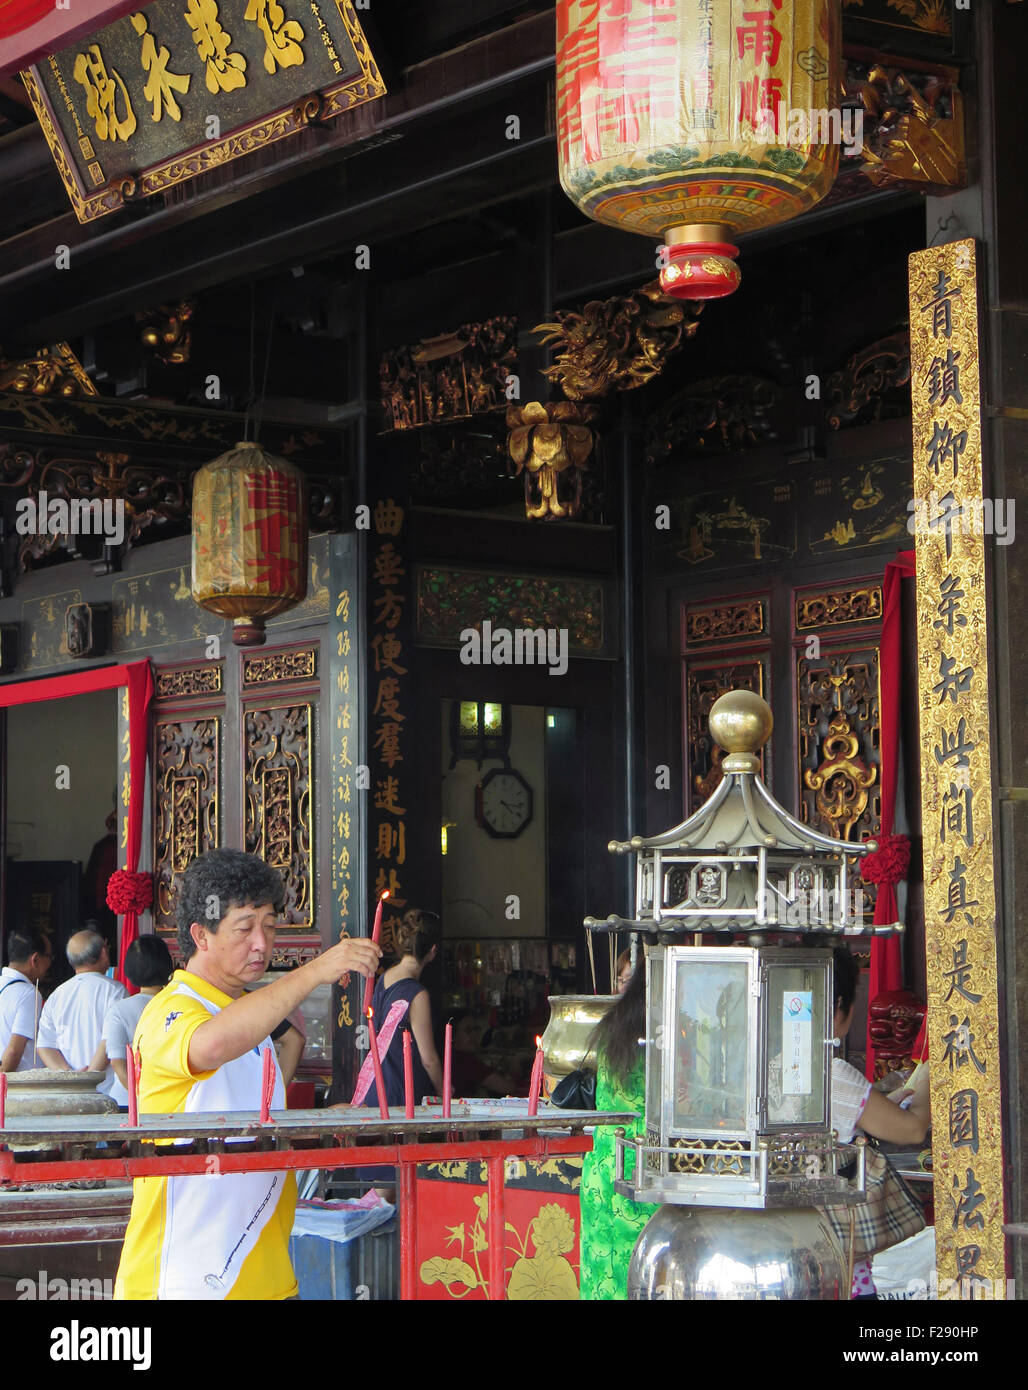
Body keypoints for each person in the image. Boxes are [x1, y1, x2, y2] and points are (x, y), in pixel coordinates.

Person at [114, 848, 380, 1301]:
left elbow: (249, 1130)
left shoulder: (249, 1021)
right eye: (244, 928)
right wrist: (315, 970)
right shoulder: (171, 1010)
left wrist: (319, 1125)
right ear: (201, 934)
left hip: (268, 1277)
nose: (262, 943)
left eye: (270, 926)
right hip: (185, 1281)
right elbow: (211, 1045)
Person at [831, 947, 931, 1300]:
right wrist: (930, 1076)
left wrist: (895, 1094)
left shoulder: (776, 1065)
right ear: (840, 1008)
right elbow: (911, 1129)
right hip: (840, 1263)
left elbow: (851, 1120)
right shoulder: (834, 1074)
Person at [579, 959, 657, 1300]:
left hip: (603, 1164)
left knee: (603, 1276)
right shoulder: (663, 1032)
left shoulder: (614, 1024)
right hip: (642, 1163)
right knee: (640, 1274)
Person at [37, 929, 127, 1096]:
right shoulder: (114, 990)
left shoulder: (57, 995)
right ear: (104, 953)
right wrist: (88, 1079)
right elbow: (111, 1040)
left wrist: (70, 1075)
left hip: (69, 1094)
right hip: (108, 1093)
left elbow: (45, 1046)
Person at [87, 936, 174, 1107]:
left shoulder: (119, 1010)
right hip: (169, 1100)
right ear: (167, 965)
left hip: (128, 1102)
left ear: (130, 970)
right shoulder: (177, 1004)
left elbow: (118, 1063)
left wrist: (140, 1096)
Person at [0, 929, 51, 1072]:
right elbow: (13, 1052)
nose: (49, 964)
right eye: (49, 957)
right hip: (14, 1089)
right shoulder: (28, 994)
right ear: (35, 959)